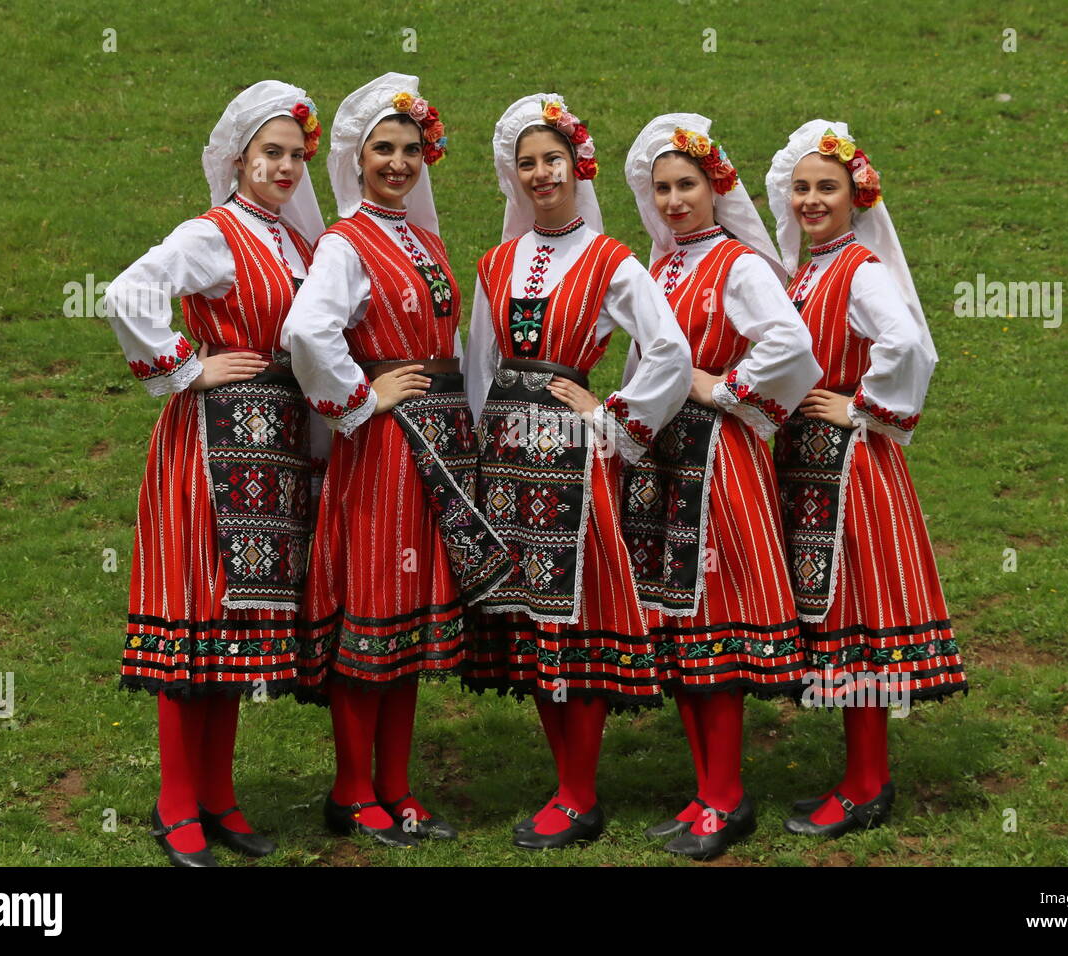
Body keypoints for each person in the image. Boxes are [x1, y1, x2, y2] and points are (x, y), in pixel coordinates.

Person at [282, 73, 509, 850]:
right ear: (356, 156)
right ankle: (352, 790)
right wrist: (361, 396)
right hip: (385, 447)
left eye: (412, 149)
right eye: (385, 148)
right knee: (372, 614)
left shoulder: (423, 238)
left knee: (406, 625)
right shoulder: (347, 242)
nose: (401, 162)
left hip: (435, 442)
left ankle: (399, 785)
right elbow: (309, 331)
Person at [462, 94, 693, 850]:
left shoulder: (610, 258)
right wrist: (478, 454)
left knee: (575, 613)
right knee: (533, 616)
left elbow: (670, 352)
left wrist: (612, 416)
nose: (539, 174)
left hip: (570, 450)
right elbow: (480, 366)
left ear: (575, 167)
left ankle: (579, 793)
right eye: (526, 163)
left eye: (551, 160)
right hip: (506, 454)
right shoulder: (496, 263)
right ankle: (564, 781)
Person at [105, 80, 327, 866]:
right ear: (240, 157)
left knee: (236, 626)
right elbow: (129, 291)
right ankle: (176, 804)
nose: (287, 168)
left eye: (297, 156)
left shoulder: (298, 244)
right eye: (273, 153)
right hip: (208, 446)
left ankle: (219, 795)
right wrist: (188, 367)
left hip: (272, 449)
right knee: (194, 616)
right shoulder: (214, 234)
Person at [622, 114, 822, 859]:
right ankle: (705, 790)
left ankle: (727, 798)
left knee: (710, 622)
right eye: (662, 187)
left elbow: (790, 344)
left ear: (715, 188)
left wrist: (722, 387)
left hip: (715, 457)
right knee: (678, 625)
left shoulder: (738, 264)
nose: (674, 200)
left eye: (687, 186)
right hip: (664, 458)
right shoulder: (663, 265)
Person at [766, 120, 969, 838]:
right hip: (813, 463)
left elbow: (909, 340)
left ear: (856, 197)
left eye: (828, 188)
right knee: (838, 622)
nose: (812, 200)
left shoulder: (861, 270)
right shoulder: (813, 268)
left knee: (858, 620)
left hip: (852, 468)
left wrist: (864, 405)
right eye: (802, 188)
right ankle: (863, 776)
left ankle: (864, 784)